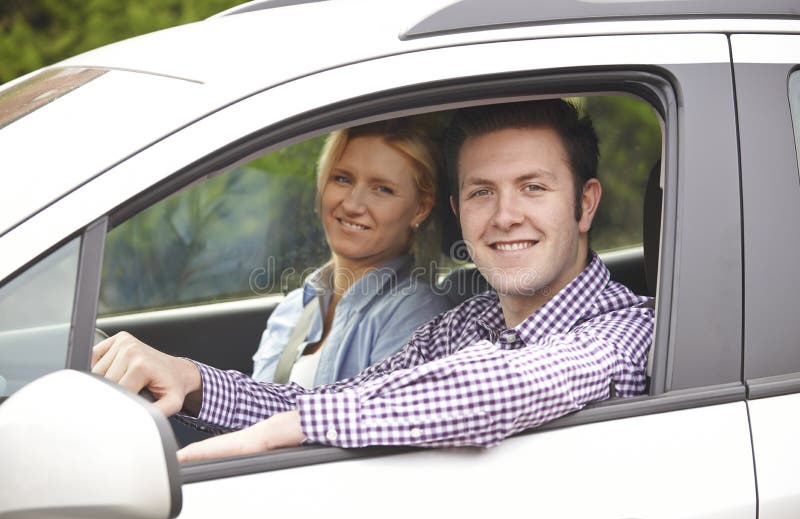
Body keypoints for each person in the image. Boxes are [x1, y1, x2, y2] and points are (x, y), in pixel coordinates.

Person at [92, 99, 654, 462]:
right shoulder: (466, 324)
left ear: (585, 205)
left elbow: (506, 384)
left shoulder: (628, 328)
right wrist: (190, 379)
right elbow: (341, 399)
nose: (505, 216)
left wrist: (282, 431)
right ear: (458, 210)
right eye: (483, 191)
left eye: (533, 187)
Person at [249, 120, 451, 387]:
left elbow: (375, 424)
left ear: (420, 210)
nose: (353, 204)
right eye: (342, 179)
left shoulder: (416, 312)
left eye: (382, 189)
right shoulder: (293, 307)